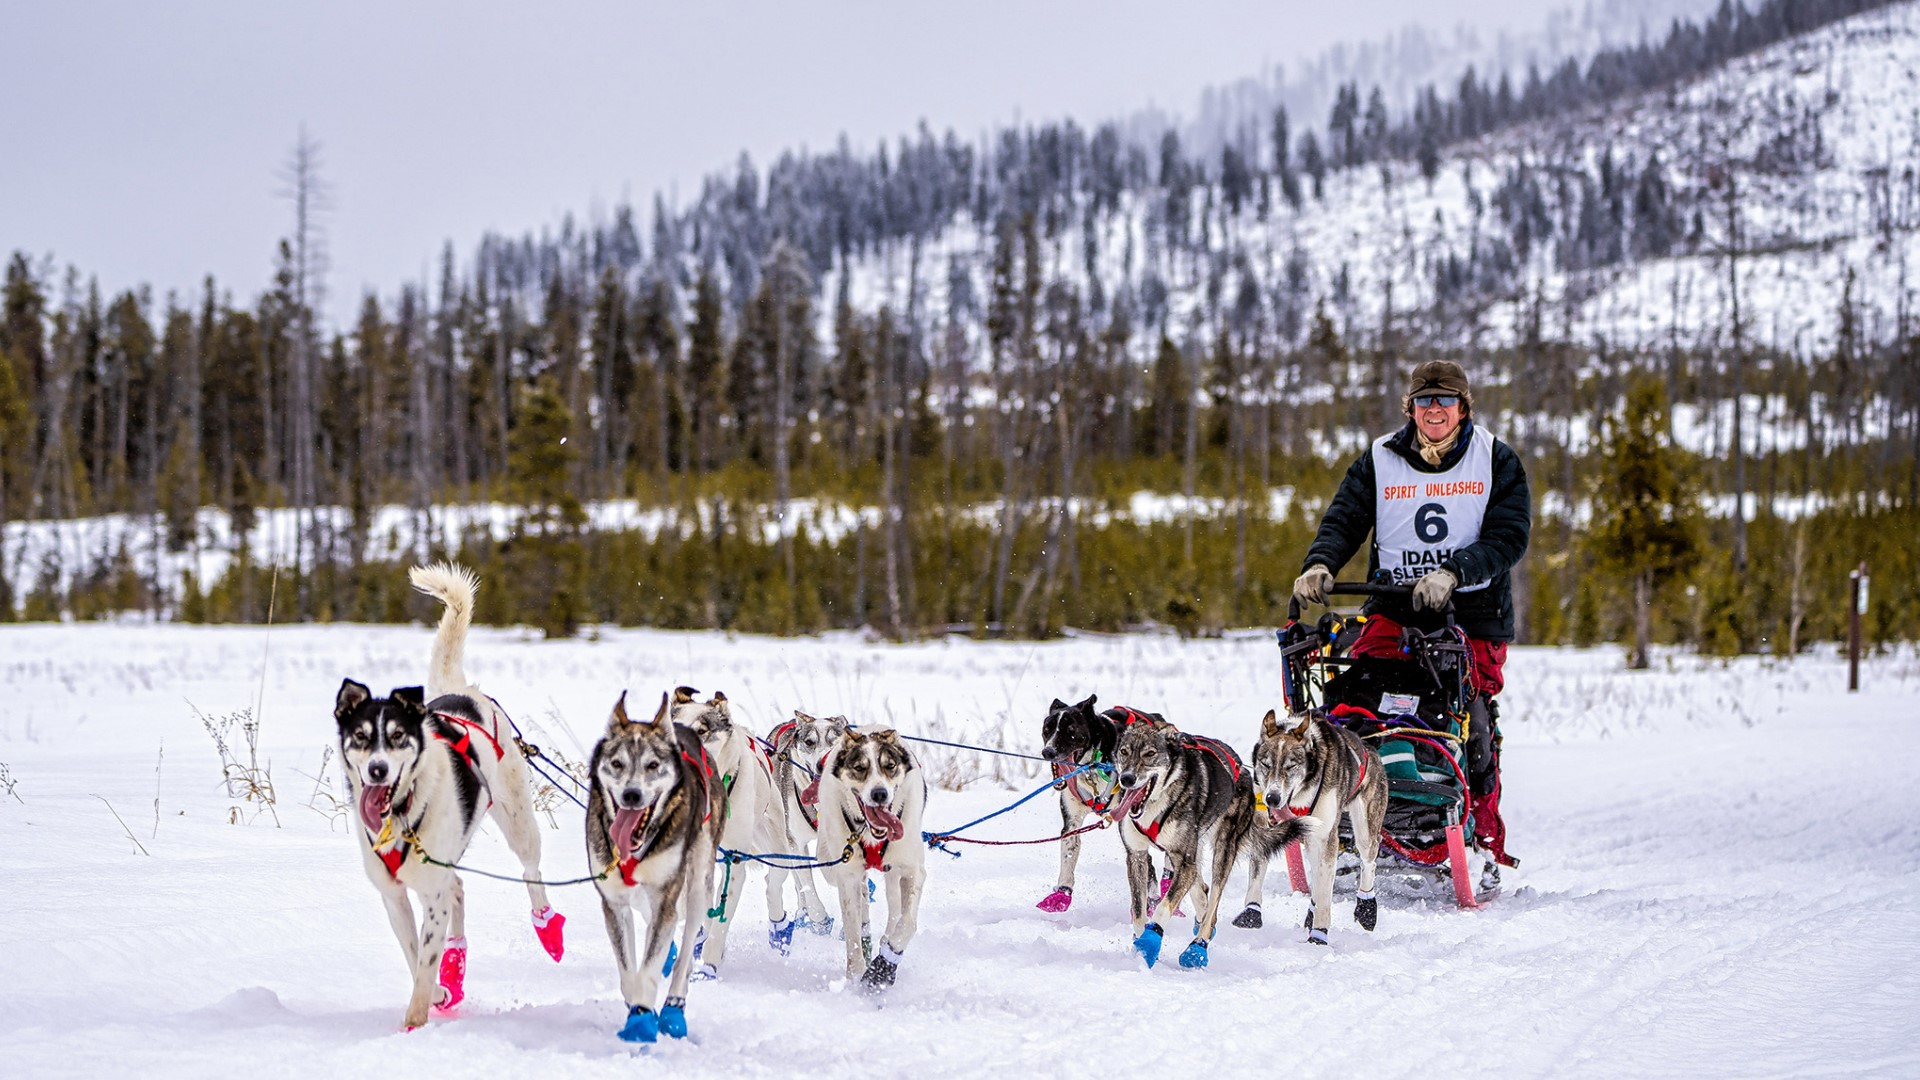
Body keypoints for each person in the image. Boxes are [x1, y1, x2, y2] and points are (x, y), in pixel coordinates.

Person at [1292, 359, 1530, 870]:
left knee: (1473, 721)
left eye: (1446, 400)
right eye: (1425, 400)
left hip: (1473, 612)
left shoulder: (1495, 458)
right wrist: (1321, 562)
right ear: (1411, 407)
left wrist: (1454, 572)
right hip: (1395, 605)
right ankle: (1367, 804)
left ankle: (1479, 835)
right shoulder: (1380, 458)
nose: (1435, 409)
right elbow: (1346, 517)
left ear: (1463, 407)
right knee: (1365, 698)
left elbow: (1510, 535)